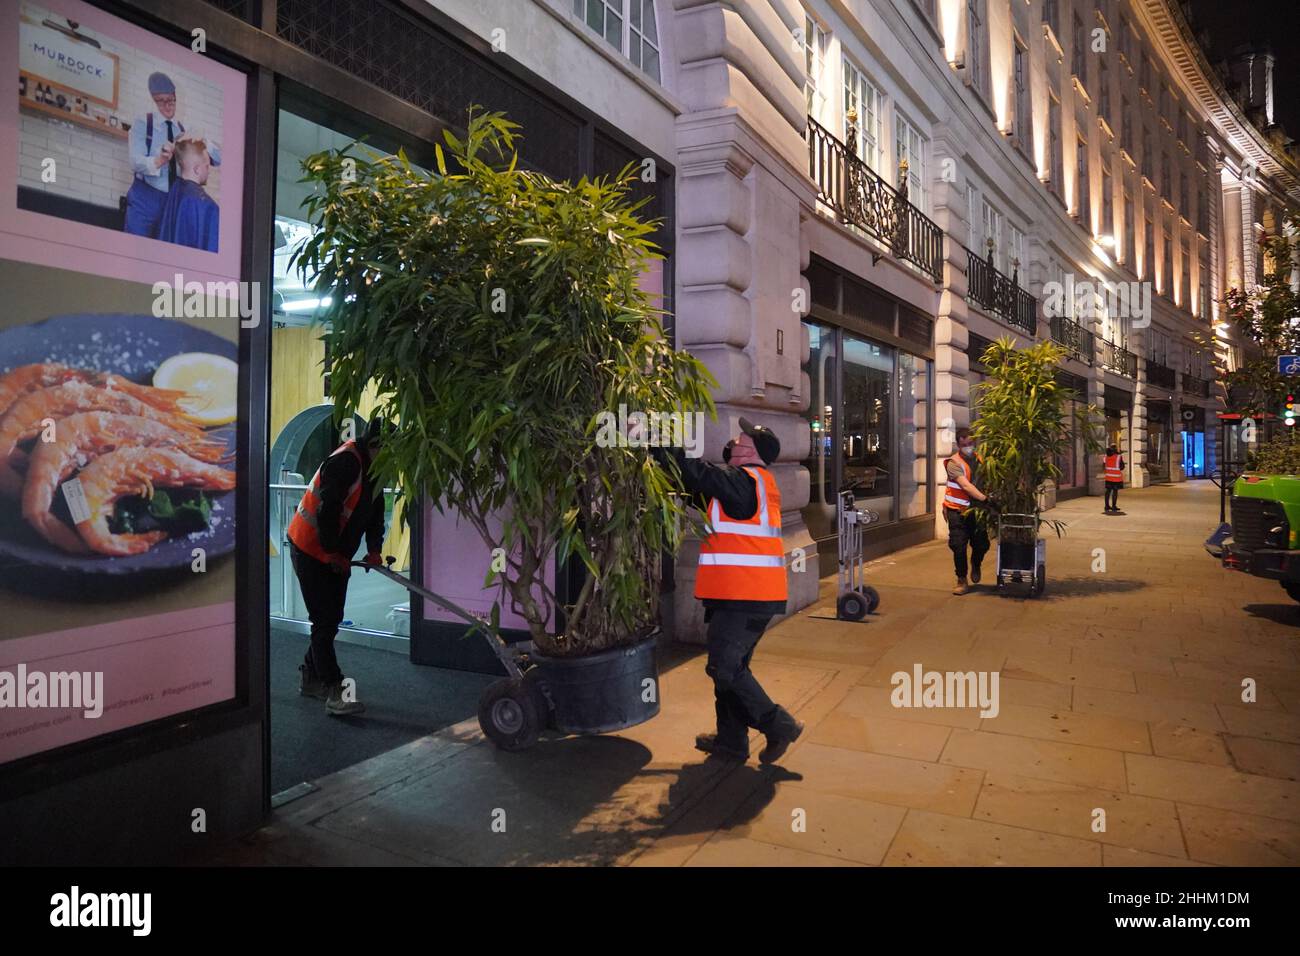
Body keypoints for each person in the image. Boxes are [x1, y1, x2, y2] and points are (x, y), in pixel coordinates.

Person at [656, 418, 803, 764]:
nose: (733, 441)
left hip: (746, 597)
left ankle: (777, 724)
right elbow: (695, 486)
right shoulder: (743, 488)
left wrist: (658, 442)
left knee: (725, 668)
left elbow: (699, 474)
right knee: (729, 670)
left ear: (749, 450)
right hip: (741, 596)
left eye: (740, 438)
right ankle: (731, 742)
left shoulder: (745, 483)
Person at [286, 417, 389, 715]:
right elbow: (327, 511)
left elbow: (375, 511)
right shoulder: (345, 462)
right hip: (309, 547)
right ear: (373, 445)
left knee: (332, 617)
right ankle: (334, 689)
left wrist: (374, 549)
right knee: (324, 618)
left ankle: (310, 677)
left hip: (335, 552)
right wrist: (331, 552)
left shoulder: (376, 468)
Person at [124, 72, 222, 239]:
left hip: (173, 202)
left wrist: (203, 139)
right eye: (162, 101)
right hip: (145, 200)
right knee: (135, 246)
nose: (168, 106)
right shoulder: (143, 124)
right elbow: (134, 161)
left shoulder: (182, 130)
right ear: (153, 100)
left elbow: (218, 159)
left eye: (171, 100)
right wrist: (159, 160)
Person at [943, 427, 993, 595]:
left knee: (982, 544)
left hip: (976, 511)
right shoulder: (953, 463)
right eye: (965, 444)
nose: (969, 447)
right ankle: (962, 579)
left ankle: (976, 563)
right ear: (958, 444)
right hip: (957, 511)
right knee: (958, 546)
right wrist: (986, 499)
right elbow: (965, 485)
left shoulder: (980, 459)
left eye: (971, 443)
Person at [155, 137, 219, 252]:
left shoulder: (176, 188)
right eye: (207, 166)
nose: (209, 171)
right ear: (197, 169)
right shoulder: (208, 207)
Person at [1103, 444, 1126, 514]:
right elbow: (1122, 467)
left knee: (1108, 491)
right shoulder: (1118, 457)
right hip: (1116, 478)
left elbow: (1103, 466)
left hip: (1108, 477)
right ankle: (1113, 506)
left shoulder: (1105, 457)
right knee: (1115, 492)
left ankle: (1106, 506)